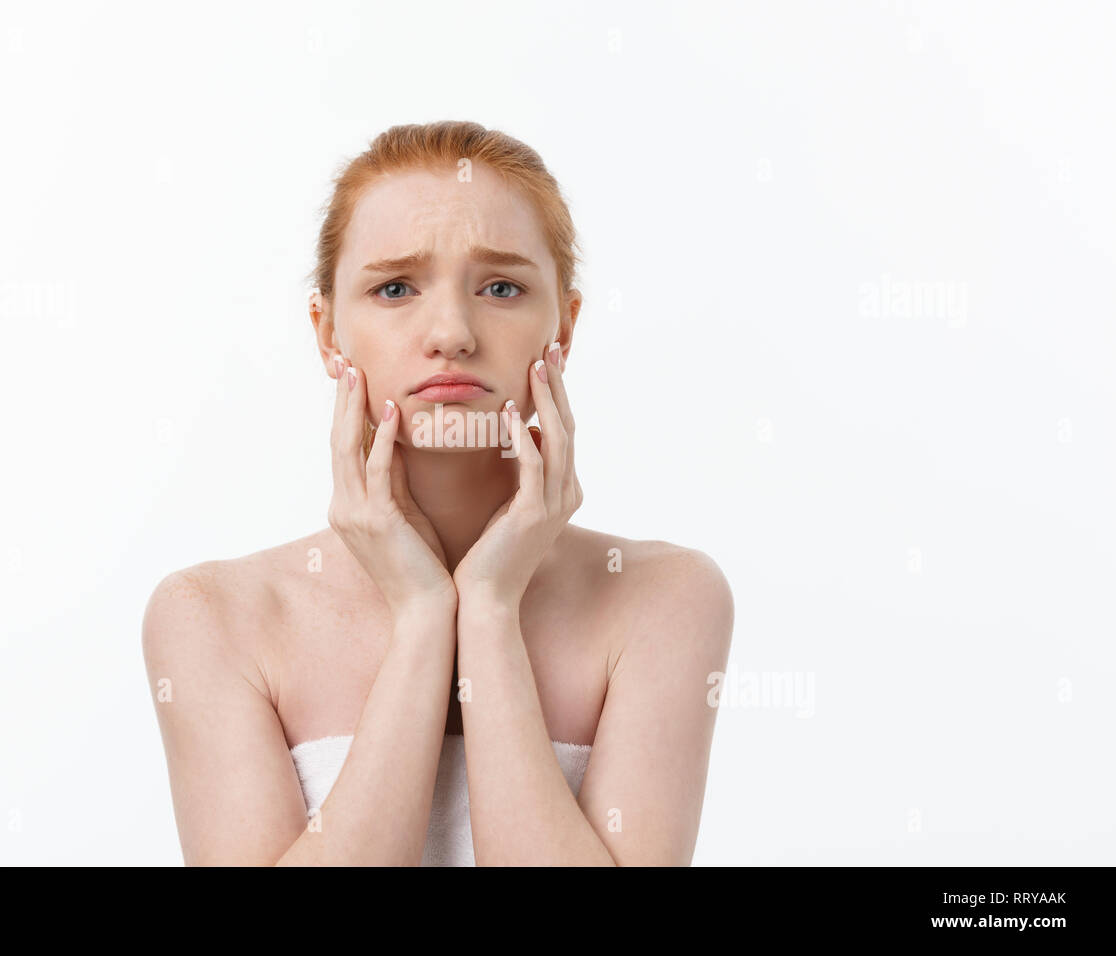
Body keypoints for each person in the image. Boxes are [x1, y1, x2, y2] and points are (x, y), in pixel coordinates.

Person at [142, 120, 734, 866]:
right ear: (327, 334)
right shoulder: (211, 617)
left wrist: (487, 608)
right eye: (395, 288)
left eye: (501, 287)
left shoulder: (665, 599)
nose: (451, 332)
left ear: (566, 327)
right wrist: (425, 618)